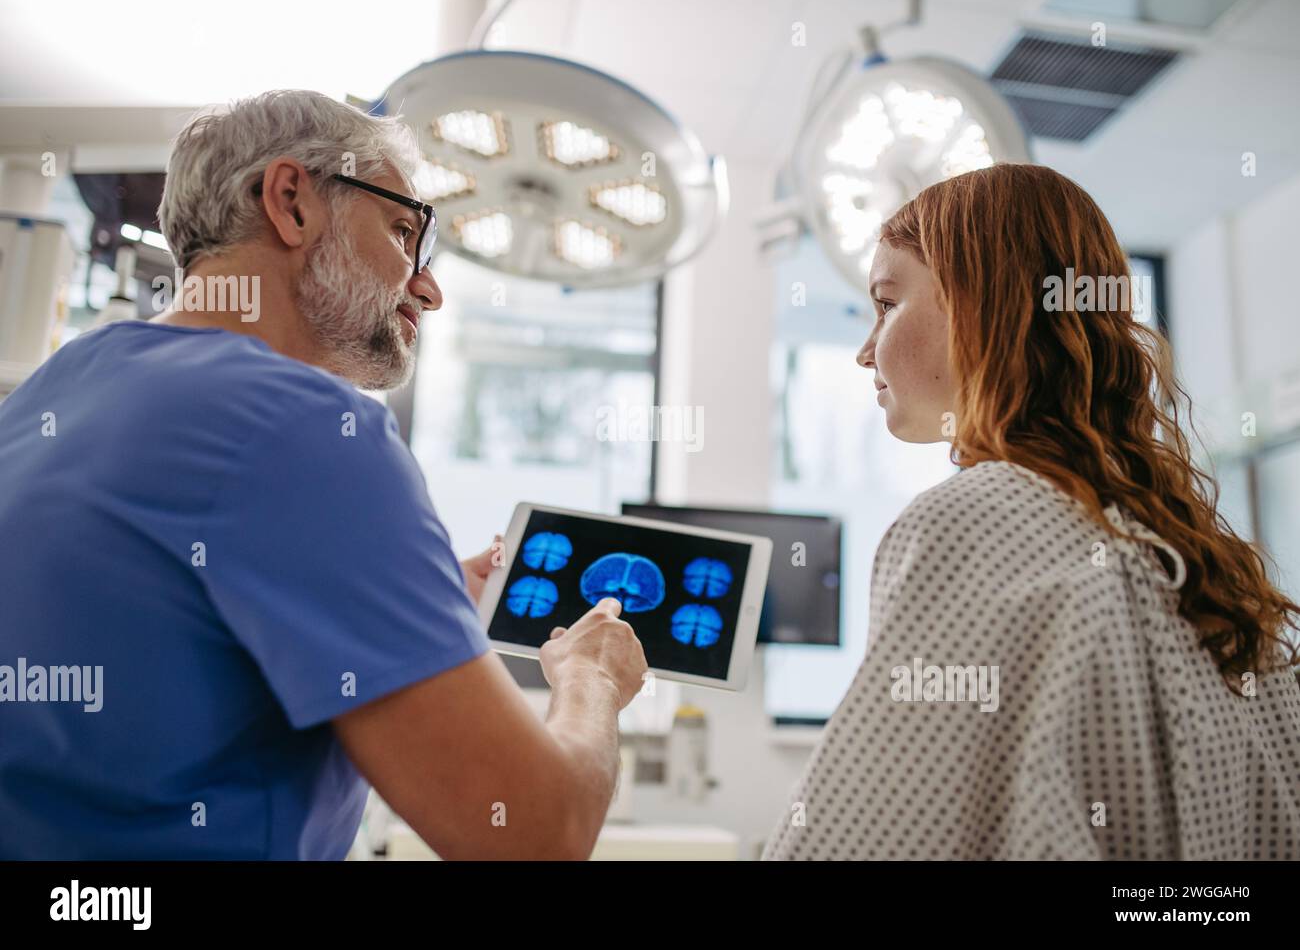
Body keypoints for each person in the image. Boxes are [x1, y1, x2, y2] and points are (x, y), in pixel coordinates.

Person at [0, 89, 646, 860]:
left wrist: (412, 614)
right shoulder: (302, 423)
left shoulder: (55, 388)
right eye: (405, 231)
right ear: (291, 202)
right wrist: (592, 680)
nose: (429, 288)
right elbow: (537, 833)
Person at [763, 163, 1300, 860]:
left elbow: (854, 846)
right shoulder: (1209, 565)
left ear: (984, 306)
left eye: (888, 304)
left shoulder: (973, 524)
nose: (867, 351)